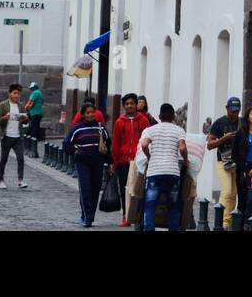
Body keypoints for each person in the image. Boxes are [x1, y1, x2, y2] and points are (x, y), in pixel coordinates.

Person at [138, 103, 188, 232]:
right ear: (173, 117)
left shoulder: (151, 129)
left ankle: (149, 229)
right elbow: (182, 148)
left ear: (160, 116)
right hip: (173, 173)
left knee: (150, 205)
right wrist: (186, 160)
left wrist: (150, 156)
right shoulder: (179, 130)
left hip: (154, 172)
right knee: (173, 206)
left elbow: (143, 144)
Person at [62, 103, 112, 227]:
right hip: (83, 163)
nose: (90, 115)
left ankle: (90, 215)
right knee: (85, 189)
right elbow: (67, 145)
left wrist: (110, 162)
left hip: (98, 163)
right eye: (87, 113)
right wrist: (76, 151)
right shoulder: (77, 128)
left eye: (92, 112)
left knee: (95, 190)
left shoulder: (101, 128)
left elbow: (108, 145)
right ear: (83, 114)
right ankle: (87, 216)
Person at [112, 93, 153, 226]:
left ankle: (139, 216)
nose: (129, 106)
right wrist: (115, 162)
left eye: (132, 103)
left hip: (139, 160)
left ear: (136, 105)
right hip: (123, 161)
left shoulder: (144, 121)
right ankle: (126, 216)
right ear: (124, 106)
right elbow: (116, 143)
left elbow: (148, 140)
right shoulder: (119, 122)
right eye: (127, 104)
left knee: (140, 190)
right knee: (125, 189)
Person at [206, 96, 242, 228]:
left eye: (237, 110)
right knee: (227, 191)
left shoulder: (242, 122)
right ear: (227, 108)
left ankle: (228, 221)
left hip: (238, 162)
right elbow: (209, 145)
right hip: (223, 162)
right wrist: (224, 138)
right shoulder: (219, 123)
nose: (235, 113)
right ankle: (220, 222)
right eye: (232, 110)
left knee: (233, 194)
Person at [0, 83, 29, 189]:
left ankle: (20, 180)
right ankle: (1, 180)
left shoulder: (21, 106)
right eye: (15, 93)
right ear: (9, 94)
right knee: (4, 159)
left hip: (18, 137)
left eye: (18, 94)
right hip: (7, 136)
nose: (17, 96)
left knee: (20, 158)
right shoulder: (3, 105)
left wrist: (25, 118)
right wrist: (5, 117)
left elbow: (25, 120)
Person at [24, 81, 45, 157]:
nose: (31, 89)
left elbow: (31, 102)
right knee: (34, 127)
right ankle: (33, 143)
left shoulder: (35, 93)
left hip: (35, 113)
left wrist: (26, 107)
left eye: (31, 88)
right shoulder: (39, 92)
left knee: (33, 128)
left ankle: (33, 147)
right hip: (38, 113)